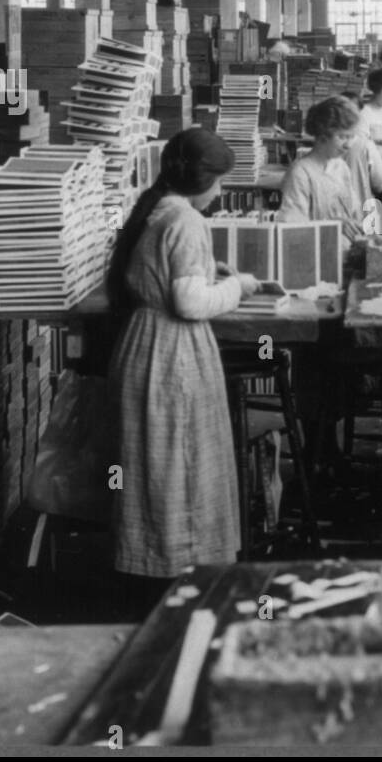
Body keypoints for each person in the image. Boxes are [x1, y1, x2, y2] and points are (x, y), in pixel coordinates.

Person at [105, 128, 260, 597]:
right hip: (174, 358)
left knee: (155, 473)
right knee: (183, 469)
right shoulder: (187, 221)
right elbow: (190, 303)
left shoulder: (156, 207)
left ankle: (152, 572)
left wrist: (214, 273)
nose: (220, 193)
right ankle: (183, 588)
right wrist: (239, 288)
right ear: (200, 180)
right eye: (218, 182)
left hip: (142, 347)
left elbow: (163, 276)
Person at [276, 96, 369, 242]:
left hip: (345, 248)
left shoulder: (341, 166)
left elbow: (353, 212)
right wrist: (334, 225)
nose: (348, 145)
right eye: (343, 137)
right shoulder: (301, 173)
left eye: (352, 137)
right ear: (322, 135)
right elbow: (291, 229)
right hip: (315, 252)